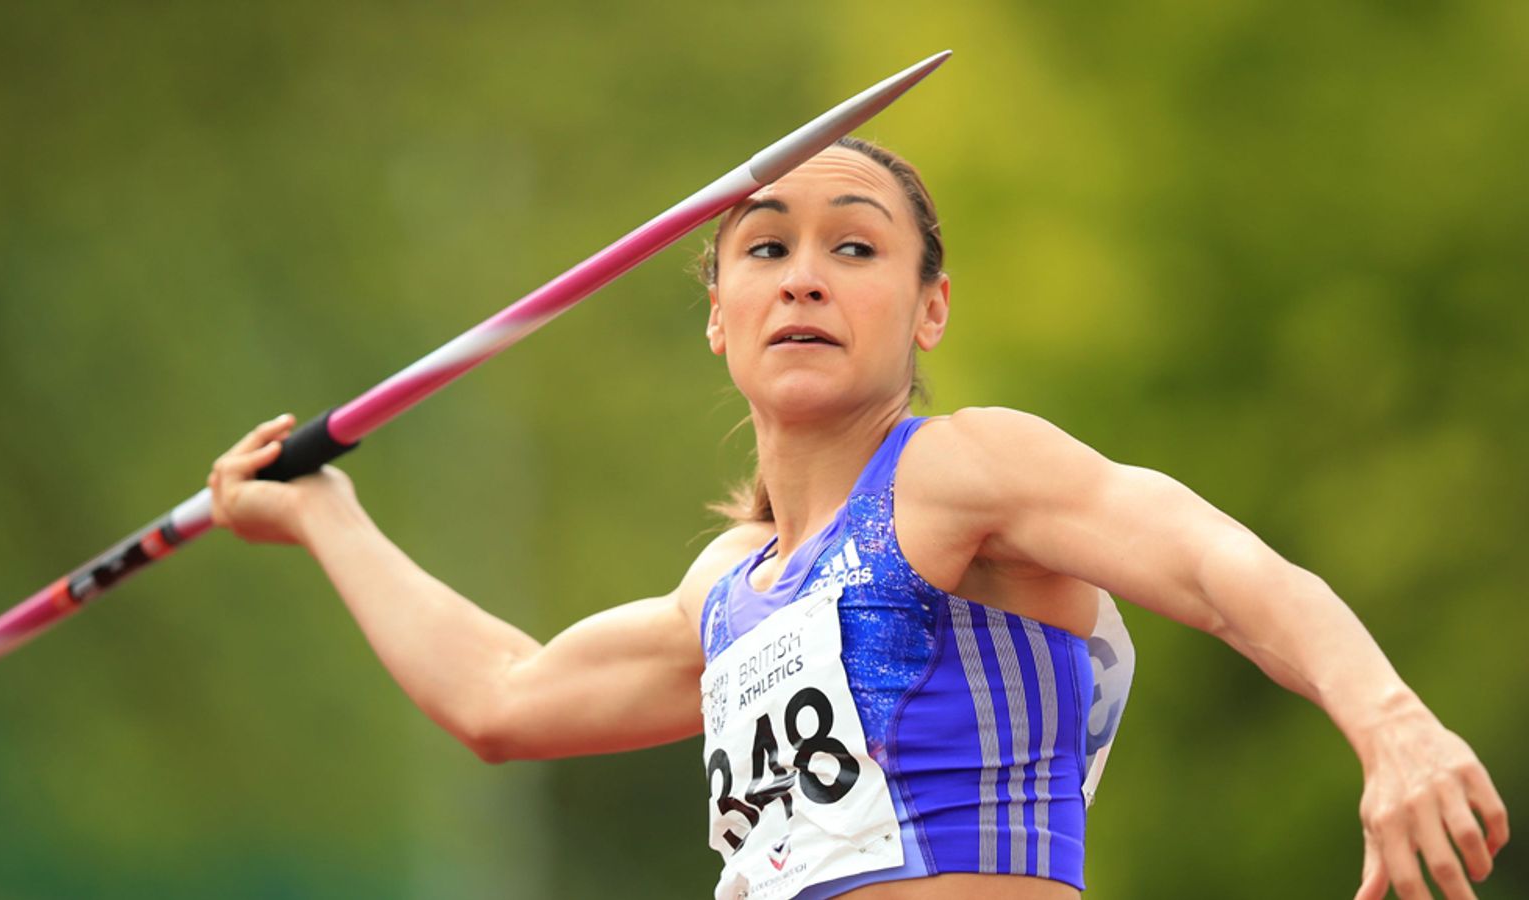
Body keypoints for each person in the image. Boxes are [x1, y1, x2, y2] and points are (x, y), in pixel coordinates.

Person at [207, 137, 1507, 900]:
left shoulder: (962, 474)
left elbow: (1222, 567)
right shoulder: (728, 591)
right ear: (717, 316)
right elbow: (503, 697)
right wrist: (327, 515)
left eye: (856, 247)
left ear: (929, 308)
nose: (805, 280)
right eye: (766, 249)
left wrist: (1390, 722)